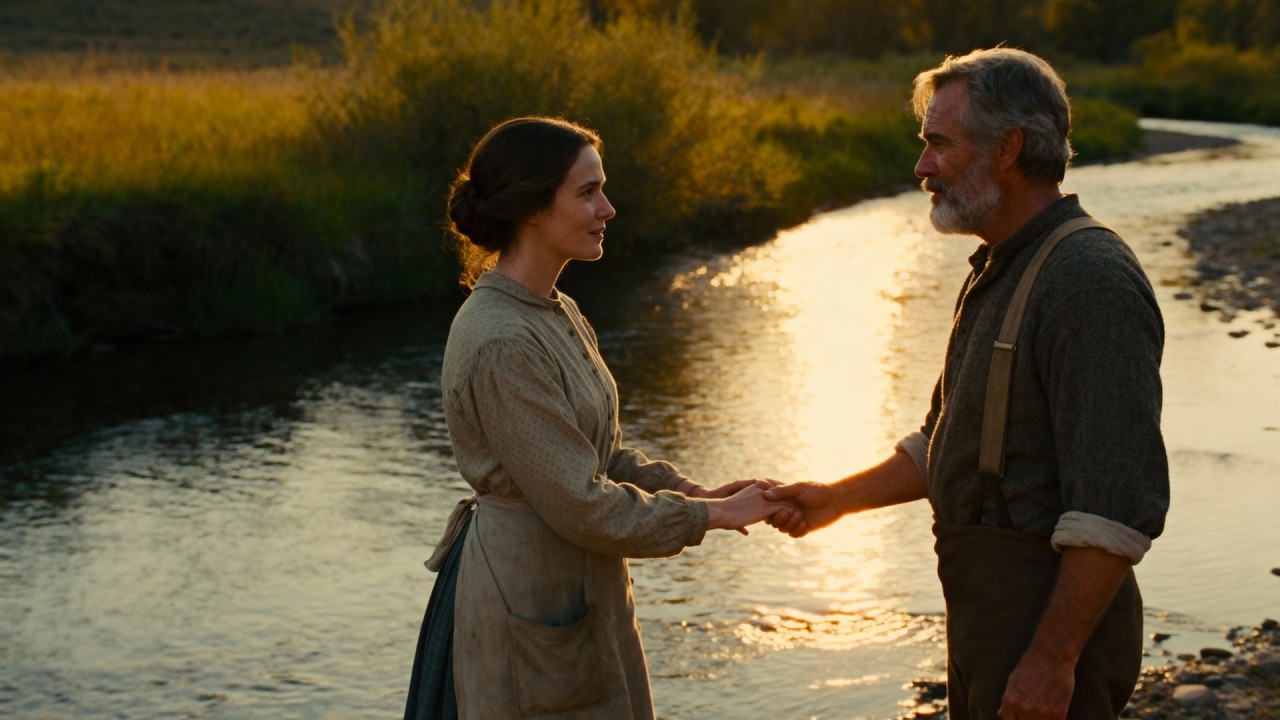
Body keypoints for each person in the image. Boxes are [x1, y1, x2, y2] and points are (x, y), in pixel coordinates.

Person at [766, 48, 1169, 719]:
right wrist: (833, 500)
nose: (921, 168)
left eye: (937, 144)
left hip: (1044, 631)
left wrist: (1052, 660)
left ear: (1007, 148)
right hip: (992, 623)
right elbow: (947, 442)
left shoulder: (1088, 283)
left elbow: (1116, 507)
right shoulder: (1001, 265)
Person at [404, 116, 793, 720]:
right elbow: (583, 502)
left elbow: (599, 454)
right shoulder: (501, 339)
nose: (607, 208)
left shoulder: (556, 308)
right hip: (523, 593)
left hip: (576, 585)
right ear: (532, 208)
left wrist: (689, 490)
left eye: (602, 189)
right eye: (587, 193)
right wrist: (710, 515)